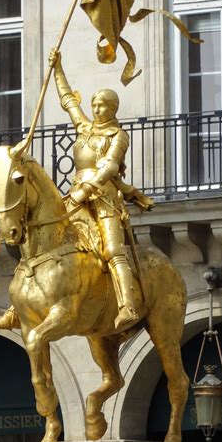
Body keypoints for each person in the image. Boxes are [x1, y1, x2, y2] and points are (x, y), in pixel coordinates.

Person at [49, 48, 153, 330]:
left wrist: (87, 190)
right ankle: (20, 305)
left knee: (113, 250)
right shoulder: (84, 128)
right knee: (47, 240)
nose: (96, 110)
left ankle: (128, 306)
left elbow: (108, 168)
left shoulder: (118, 136)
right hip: (76, 193)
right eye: (95, 105)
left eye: (102, 106)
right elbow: (68, 99)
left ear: (113, 109)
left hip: (104, 198)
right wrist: (57, 68)